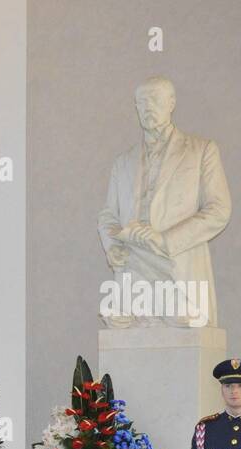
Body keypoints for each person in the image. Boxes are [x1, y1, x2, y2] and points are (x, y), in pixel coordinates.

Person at [98, 75, 232, 327]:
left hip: (179, 267)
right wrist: (112, 246)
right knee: (126, 348)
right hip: (132, 274)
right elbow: (108, 215)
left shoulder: (201, 150)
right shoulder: (123, 162)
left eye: (155, 99)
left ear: (171, 103)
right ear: (136, 107)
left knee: (184, 342)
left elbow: (219, 209)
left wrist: (166, 240)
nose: (148, 106)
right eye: (142, 101)